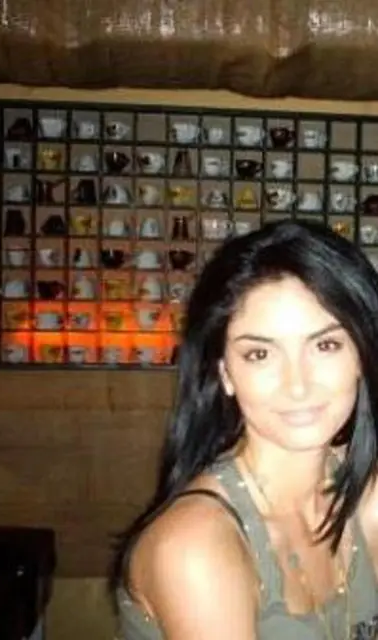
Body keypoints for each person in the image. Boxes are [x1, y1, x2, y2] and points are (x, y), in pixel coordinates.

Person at [109, 219, 378, 640]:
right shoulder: (195, 546)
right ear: (226, 374)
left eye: (325, 345)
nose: (297, 384)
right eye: (260, 354)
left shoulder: (365, 497)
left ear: (361, 354)